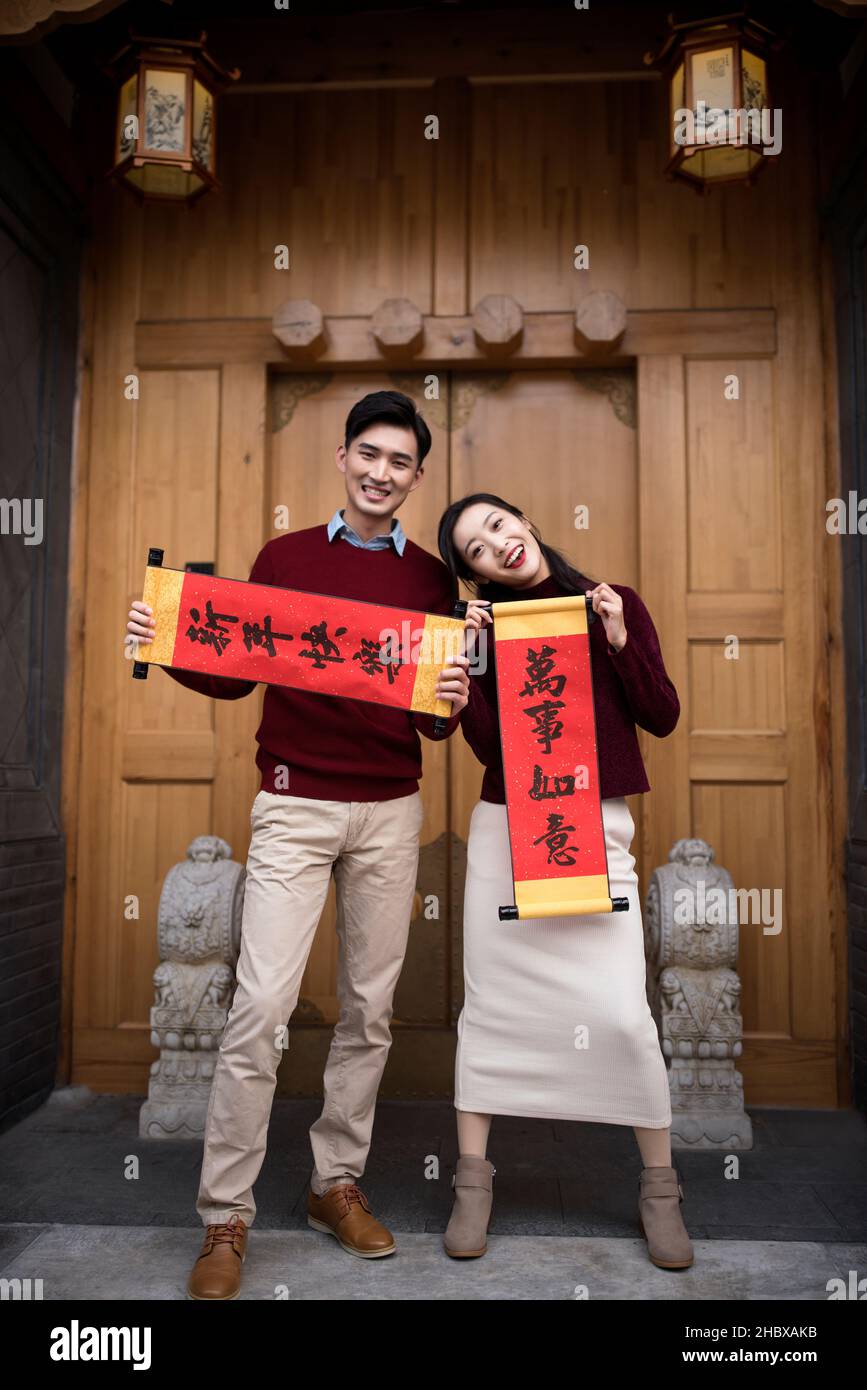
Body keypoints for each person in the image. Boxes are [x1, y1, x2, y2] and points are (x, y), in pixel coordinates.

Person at [126, 392, 471, 1299]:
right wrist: (164, 641)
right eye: (368, 453)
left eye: (399, 462)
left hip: (391, 809)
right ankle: (224, 1217)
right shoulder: (284, 558)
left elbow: (434, 724)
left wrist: (453, 700)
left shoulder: (435, 581)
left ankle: (332, 1184)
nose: (380, 472)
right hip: (293, 802)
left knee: (368, 1008)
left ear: (417, 477)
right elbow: (239, 670)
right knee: (260, 1010)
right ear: (341, 457)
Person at [436, 492, 693, 1270]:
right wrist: (467, 668)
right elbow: (489, 748)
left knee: (621, 1017)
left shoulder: (610, 604)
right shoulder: (481, 632)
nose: (497, 546)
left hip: (595, 830)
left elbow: (661, 714)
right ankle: (472, 1185)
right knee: (491, 1009)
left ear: (525, 521)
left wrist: (618, 639)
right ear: (472, 574)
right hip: (510, 836)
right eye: (476, 550)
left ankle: (659, 1191)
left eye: (498, 527)